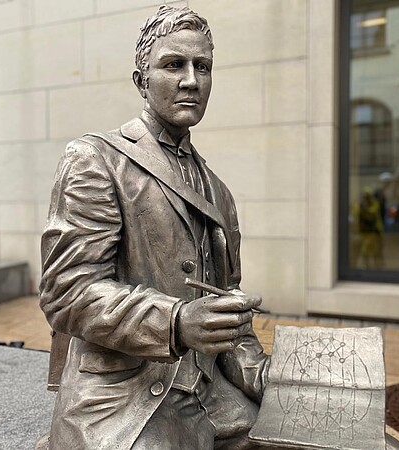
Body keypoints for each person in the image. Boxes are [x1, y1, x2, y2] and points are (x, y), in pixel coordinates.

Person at [39, 6, 268, 450]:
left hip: (211, 397)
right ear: (141, 80)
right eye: (173, 64)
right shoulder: (96, 160)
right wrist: (176, 322)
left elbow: (229, 311)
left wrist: (263, 374)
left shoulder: (218, 191)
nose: (191, 80)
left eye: (202, 67)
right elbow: (67, 292)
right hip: (125, 400)